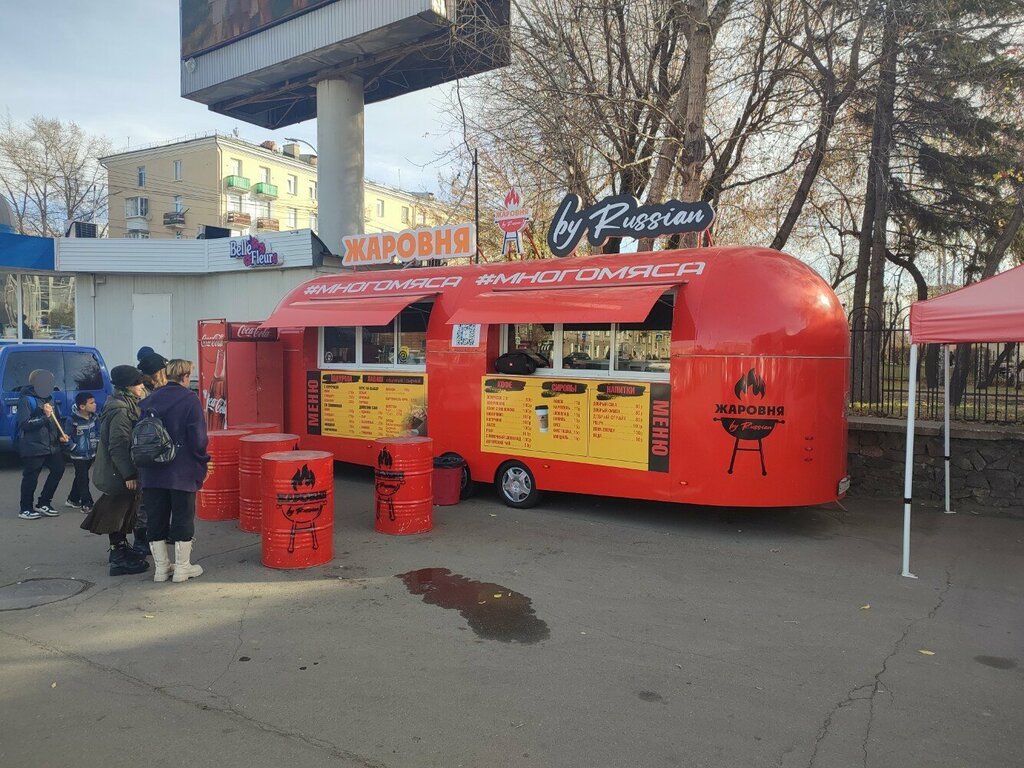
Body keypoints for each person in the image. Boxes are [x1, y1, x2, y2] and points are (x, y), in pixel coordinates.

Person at [140, 359, 210, 583]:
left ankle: (161, 569)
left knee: (156, 518)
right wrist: (203, 462)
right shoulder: (190, 400)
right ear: (185, 376)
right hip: (182, 470)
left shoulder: (150, 399)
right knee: (182, 517)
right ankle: (182, 568)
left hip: (151, 470)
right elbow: (198, 439)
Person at [81, 365, 149, 577]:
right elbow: (118, 445)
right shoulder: (120, 409)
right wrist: (129, 474)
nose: (142, 386)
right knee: (116, 511)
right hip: (117, 472)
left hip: (117, 470)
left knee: (124, 510)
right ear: (128, 386)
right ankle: (118, 557)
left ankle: (120, 549)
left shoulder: (124, 403)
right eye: (138, 383)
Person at [17, 369, 69, 520]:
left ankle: (44, 502)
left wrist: (61, 435)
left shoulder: (49, 398)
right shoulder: (26, 400)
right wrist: (45, 417)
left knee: (58, 469)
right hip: (34, 445)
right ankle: (25, 508)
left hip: (51, 445)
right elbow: (24, 424)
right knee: (31, 477)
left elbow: (56, 420)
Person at [132, 350, 168, 557]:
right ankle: (141, 540)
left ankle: (155, 535)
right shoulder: (145, 394)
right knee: (146, 501)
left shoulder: (150, 391)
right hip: (148, 451)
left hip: (152, 450)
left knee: (154, 499)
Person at [64, 392, 99, 512]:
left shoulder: (95, 417)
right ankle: (87, 502)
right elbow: (66, 437)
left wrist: (97, 444)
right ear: (82, 407)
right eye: (91, 403)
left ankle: (72, 499)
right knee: (84, 478)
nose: (95, 405)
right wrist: (74, 448)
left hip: (90, 453)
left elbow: (98, 432)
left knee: (80, 477)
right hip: (78, 456)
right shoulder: (72, 420)